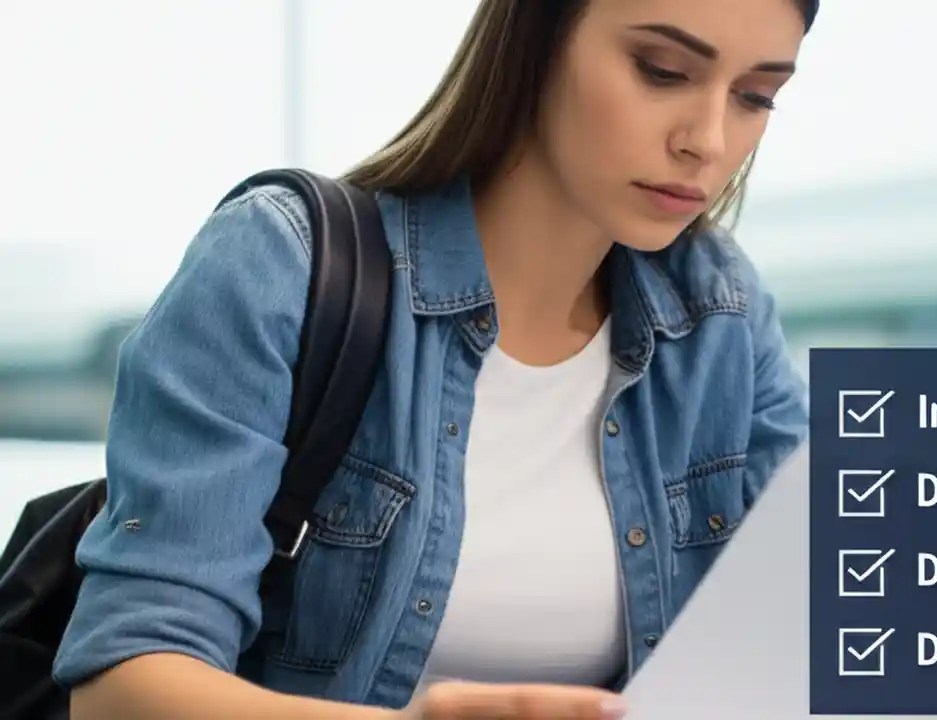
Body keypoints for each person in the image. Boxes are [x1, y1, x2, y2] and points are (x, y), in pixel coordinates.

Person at [53, 0, 818, 718]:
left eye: (756, 96)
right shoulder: (278, 264)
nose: (708, 140)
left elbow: (838, 615)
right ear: (536, 39)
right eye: (662, 70)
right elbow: (120, 688)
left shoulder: (721, 314)